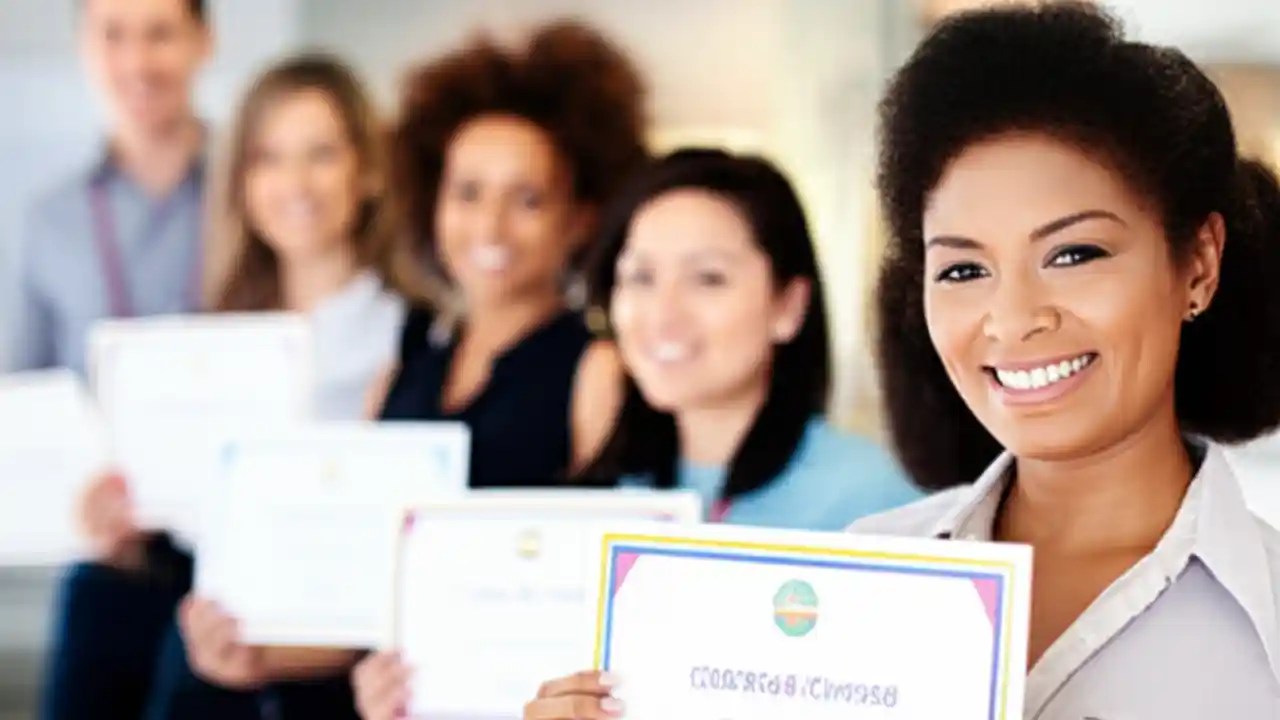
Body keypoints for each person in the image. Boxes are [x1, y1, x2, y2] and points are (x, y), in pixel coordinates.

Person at [522, 4, 1280, 719]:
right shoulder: (855, 572)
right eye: (962, 269)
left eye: (1073, 253)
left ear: (1199, 265)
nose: (1013, 318)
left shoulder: (1268, 616)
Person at [351, 151, 921, 719]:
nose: (662, 313)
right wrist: (420, 701)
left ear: (788, 306)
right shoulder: (607, 498)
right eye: (640, 277)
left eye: (708, 278)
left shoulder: (872, 507)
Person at [43, 55, 420, 720]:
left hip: (339, 643)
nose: (295, 183)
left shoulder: (415, 339)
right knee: (99, 595)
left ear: (366, 172)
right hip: (205, 614)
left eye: (322, 154)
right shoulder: (208, 345)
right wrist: (120, 516)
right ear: (241, 181)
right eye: (268, 158)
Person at [376, 21, 649, 487]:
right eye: (468, 193)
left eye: (527, 200)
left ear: (582, 218)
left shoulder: (597, 373)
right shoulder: (398, 374)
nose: (490, 226)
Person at [8, 0, 211, 377]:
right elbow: (24, 395)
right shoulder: (50, 220)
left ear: (204, 41)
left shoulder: (264, 196)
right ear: (84, 48)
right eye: (112, 35)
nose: (137, 63)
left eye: (160, 34)